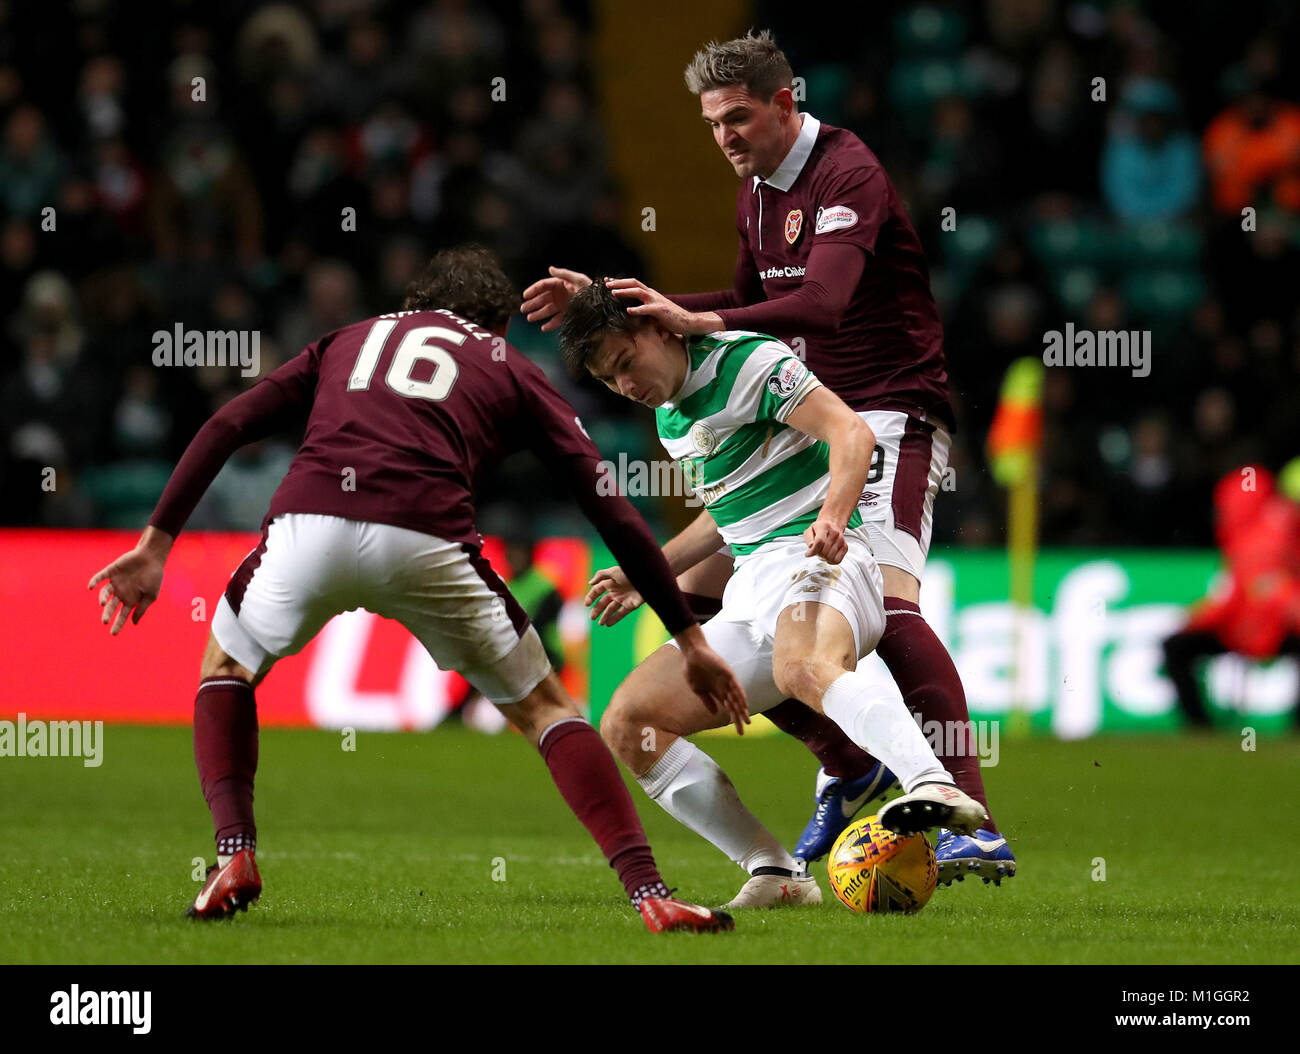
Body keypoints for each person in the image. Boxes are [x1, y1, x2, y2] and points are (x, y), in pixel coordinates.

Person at [88, 245, 744, 934]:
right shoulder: (509, 366)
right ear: (496, 328)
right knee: (549, 710)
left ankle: (233, 852)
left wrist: (154, 546)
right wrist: (688, 638)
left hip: (309, 524)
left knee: (225, 668)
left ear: (411, 304)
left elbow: (227, 424)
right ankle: (650, 894)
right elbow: (609, 503)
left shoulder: (348, 338)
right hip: (426, 538)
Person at [522, 30, 1011, 883]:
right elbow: (755, 305)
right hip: (805, 414)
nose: (726, 138)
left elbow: (815, 304)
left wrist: (699, 319)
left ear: (787, 102)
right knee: (691, 599)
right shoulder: (755, 193)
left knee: (889, 612)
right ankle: (847, 759)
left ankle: (970, 812)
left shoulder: (847, 173)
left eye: (740, 118)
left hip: (885, 410)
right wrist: (614, 302)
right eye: (713, 124)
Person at [558, 278, 987, 908]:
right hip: (754, 588)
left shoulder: (746, 360)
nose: (625, 385)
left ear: (660, 328)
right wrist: (642, 571)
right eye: (608, 380)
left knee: (803, 667)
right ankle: (776, 871)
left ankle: (934, 784)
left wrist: (835, 516)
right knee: (630, 724)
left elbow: (851, 434)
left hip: (823, 559)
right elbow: (728, 516)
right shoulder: (672, 419)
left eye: (625, 363)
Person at [1162, 466, 1300, 727]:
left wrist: (1197, 620)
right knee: (1176, 645)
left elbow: (1254, 595)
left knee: (1176, 646)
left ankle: (1199, 726)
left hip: (1253, 628)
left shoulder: (1259, 537)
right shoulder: (1260, 536)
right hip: (1261, 628)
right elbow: (1249, 594)